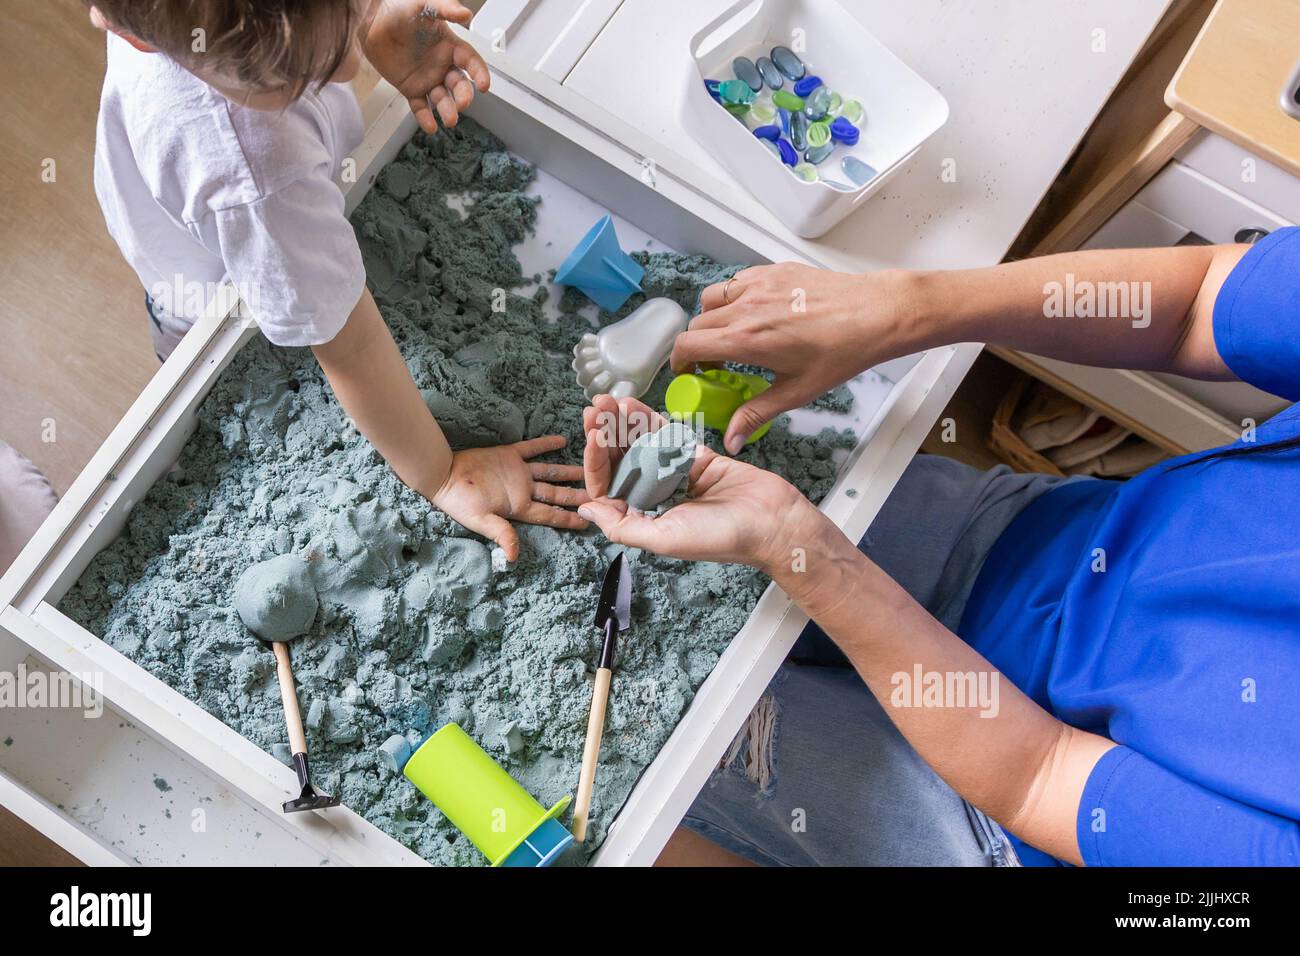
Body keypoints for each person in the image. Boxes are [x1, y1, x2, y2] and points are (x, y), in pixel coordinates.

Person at [578, 232, 1300, 866]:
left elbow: (1039, 775)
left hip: (1015, 817)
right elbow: (1199, 303)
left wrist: (804, 552)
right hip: (1045, 551)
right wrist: (908, 306)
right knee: (745, 551)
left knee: (650, 734)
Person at [88, 0, 588, 563]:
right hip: (217, 300)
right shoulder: (255, 172)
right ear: (122, 28)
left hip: (287, 200)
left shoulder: (186, 24)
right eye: (305, 71)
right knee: (204, 409)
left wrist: (368, 25)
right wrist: (442, 473)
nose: (353, 69)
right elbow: (348, 343)